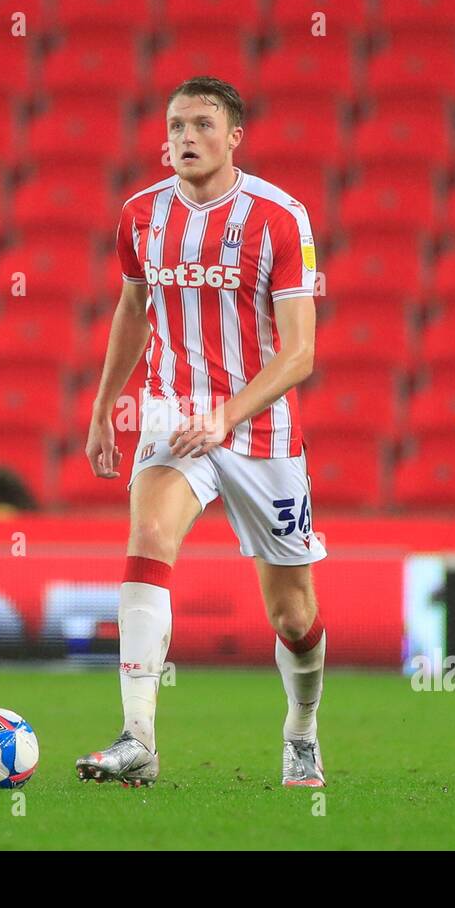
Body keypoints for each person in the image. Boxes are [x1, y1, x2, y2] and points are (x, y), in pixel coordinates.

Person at [76, 76, 327, 789]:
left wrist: (229, 414)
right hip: (171, 412)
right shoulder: (140, 216)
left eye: (203, 125)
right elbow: (132, 309)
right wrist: (103, 406)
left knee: (292, 614)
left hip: (261, 429)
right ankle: (138, 738)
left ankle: (301, 728)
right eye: (177, 124)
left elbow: (301, 352)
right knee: (148, 538)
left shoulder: (279, 217)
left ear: (234, 137)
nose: (187, 137)